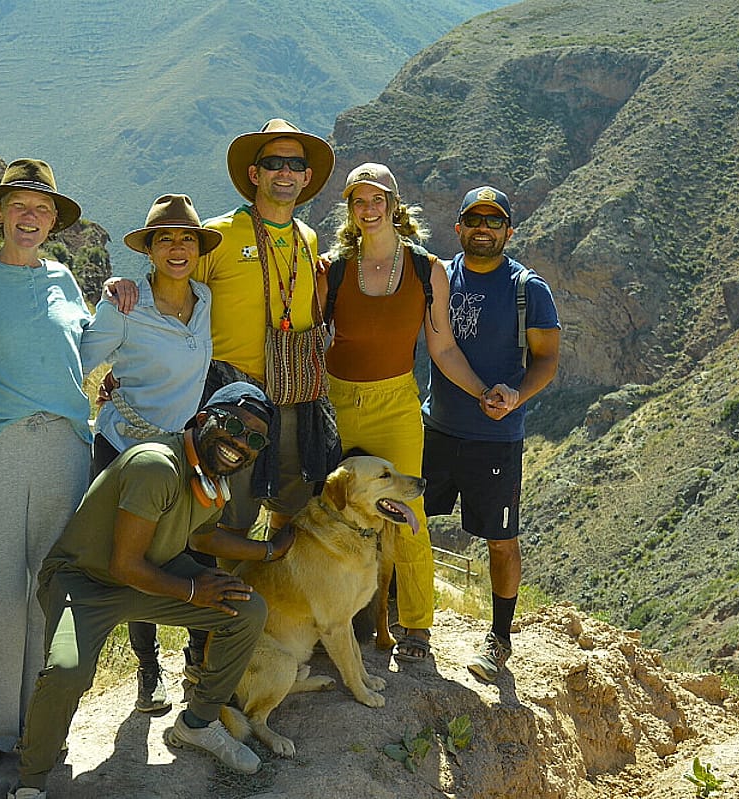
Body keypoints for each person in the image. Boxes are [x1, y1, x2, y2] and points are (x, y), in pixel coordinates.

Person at [7, 384, 294, 799]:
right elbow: (124, 564)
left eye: (254, 438)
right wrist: (193, 589)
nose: (239, 442)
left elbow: (204, 539)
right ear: (202, 419)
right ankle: (31, 782)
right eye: (231, 424)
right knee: (67, 671)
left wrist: (268, 550)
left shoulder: (212, 477)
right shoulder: (157, 465)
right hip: (87, 581)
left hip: (151, 572)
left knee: (246, 611)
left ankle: (198, 724)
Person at [106, 118, 340, 544]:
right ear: (255, 174)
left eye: (294, 164)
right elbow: (172, 287)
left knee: (291, 503)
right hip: (232, 397)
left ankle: (271, 597)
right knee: (227, 509)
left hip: (293, 394)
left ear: (307, 177)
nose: (284, 172)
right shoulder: (218, 234)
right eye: (273, 163)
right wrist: (124, 291)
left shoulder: (308, 238)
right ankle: (218, 599)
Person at [324, 164, 515, 663]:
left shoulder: (426, 269)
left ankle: (416, 628)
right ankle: (330, 617)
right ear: (349, 209)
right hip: (337, 400)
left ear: (394, 203)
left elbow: (444, 348)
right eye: (358, 201)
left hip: (395, 406)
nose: (369, 209)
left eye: (377, 198)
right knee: (334, 509)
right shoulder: (333, 268)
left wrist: (480, 392)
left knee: (410, 517)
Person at [0, 160, 94, 768]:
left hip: (65, 445)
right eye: (19, 206)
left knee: (48, 588)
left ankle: (40, 725)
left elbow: (83, 347)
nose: (30, 217)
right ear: (0, 214)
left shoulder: (64, 279)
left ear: (54, 221)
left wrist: (122, 300)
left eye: (42, 209)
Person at [79, 193, 220, 713]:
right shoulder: (125, 305)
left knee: (196, 546)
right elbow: (80, 355)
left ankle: (198, 660)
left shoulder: (204, 300)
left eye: (187, 238)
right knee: (131, 558)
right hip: (126, 449)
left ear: (199, 248)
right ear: (151, 249)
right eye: (166, 239)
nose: (177, 248)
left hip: (184, 450)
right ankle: (147, 669)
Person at [421, 186, 561, 682]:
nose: (483, 228)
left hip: (497, 436)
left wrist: (517, 396)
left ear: (508, 231)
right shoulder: (439, 276)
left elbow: (546, 358)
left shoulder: (528, 288)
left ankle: (499, 638)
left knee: (501, 540)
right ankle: (400, 622)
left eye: (493, 221)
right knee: (407, 523)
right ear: (457, 227)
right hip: (436, 427)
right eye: (474, 220)